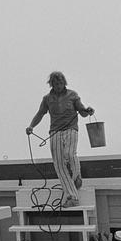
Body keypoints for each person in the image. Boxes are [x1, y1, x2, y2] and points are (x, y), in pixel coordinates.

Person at [26, 71, 95, 208]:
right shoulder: (47, 99)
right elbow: (40, 113)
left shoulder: (72, 95)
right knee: (58, 163)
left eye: (60, 83)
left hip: (70, 129)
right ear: (51, 84)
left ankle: (76, 177)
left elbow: (81, 112)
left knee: (69, 154)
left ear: (64, 83)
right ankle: (72, 197)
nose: (58, 86)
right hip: (55, 132)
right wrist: (31, 126)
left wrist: (88, 111)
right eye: (55, 83)